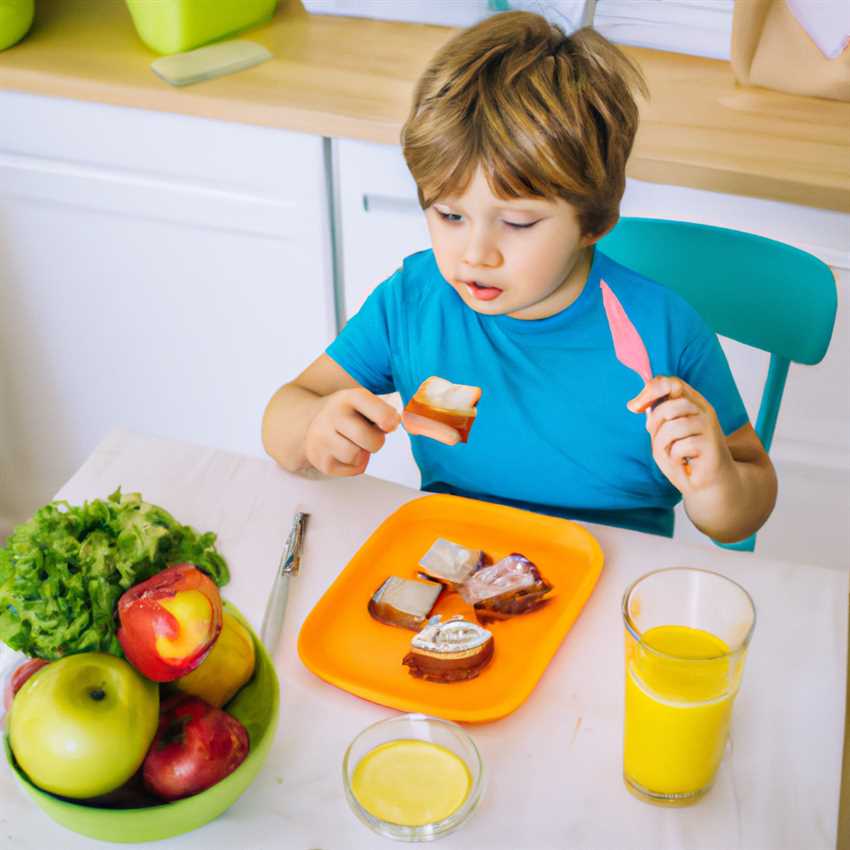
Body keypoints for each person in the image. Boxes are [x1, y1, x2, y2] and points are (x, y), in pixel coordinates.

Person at [262, 11, 777, 543]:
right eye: (449, 215)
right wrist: (313, 427)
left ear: (592, 221)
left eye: (517, 222)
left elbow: (745, 509)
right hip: (457, 570)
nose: (476, 254)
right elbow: (283, 415)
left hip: (615, 577)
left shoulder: (664, 330)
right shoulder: (413, 304)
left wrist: (715, 483)